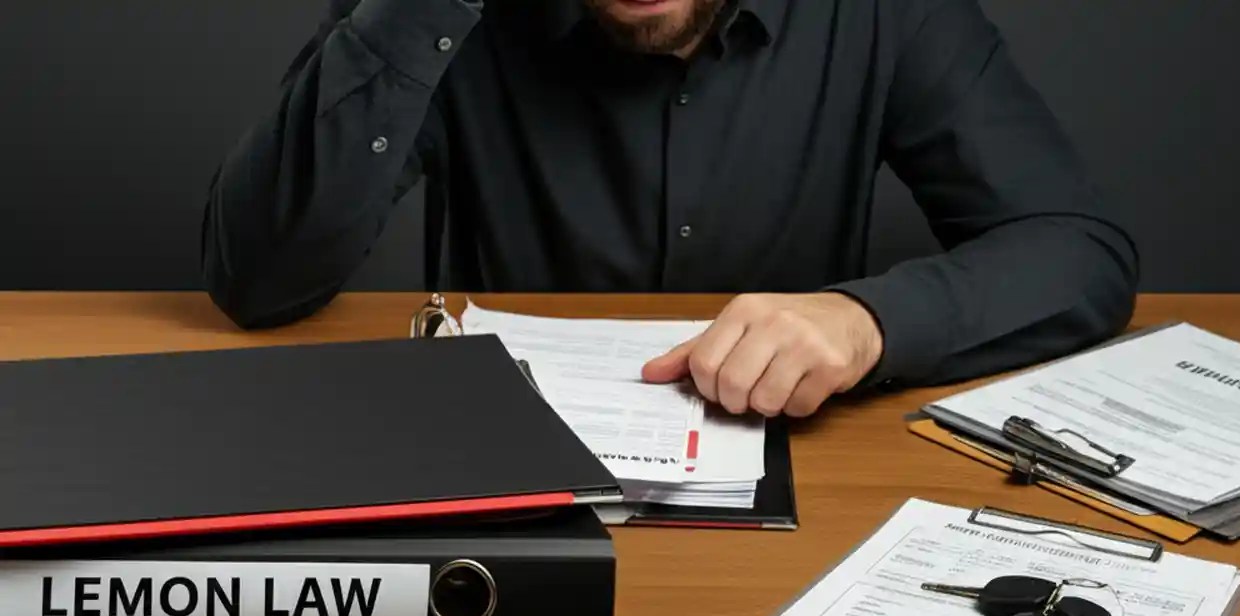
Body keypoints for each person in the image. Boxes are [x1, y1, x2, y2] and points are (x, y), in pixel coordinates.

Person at [202, 0, 1138, 418]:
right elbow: (259, 276)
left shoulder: (884, 10)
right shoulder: (448, 9)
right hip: (508, 480)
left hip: (795, 481)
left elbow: (1077, 247)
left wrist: (870, 323)